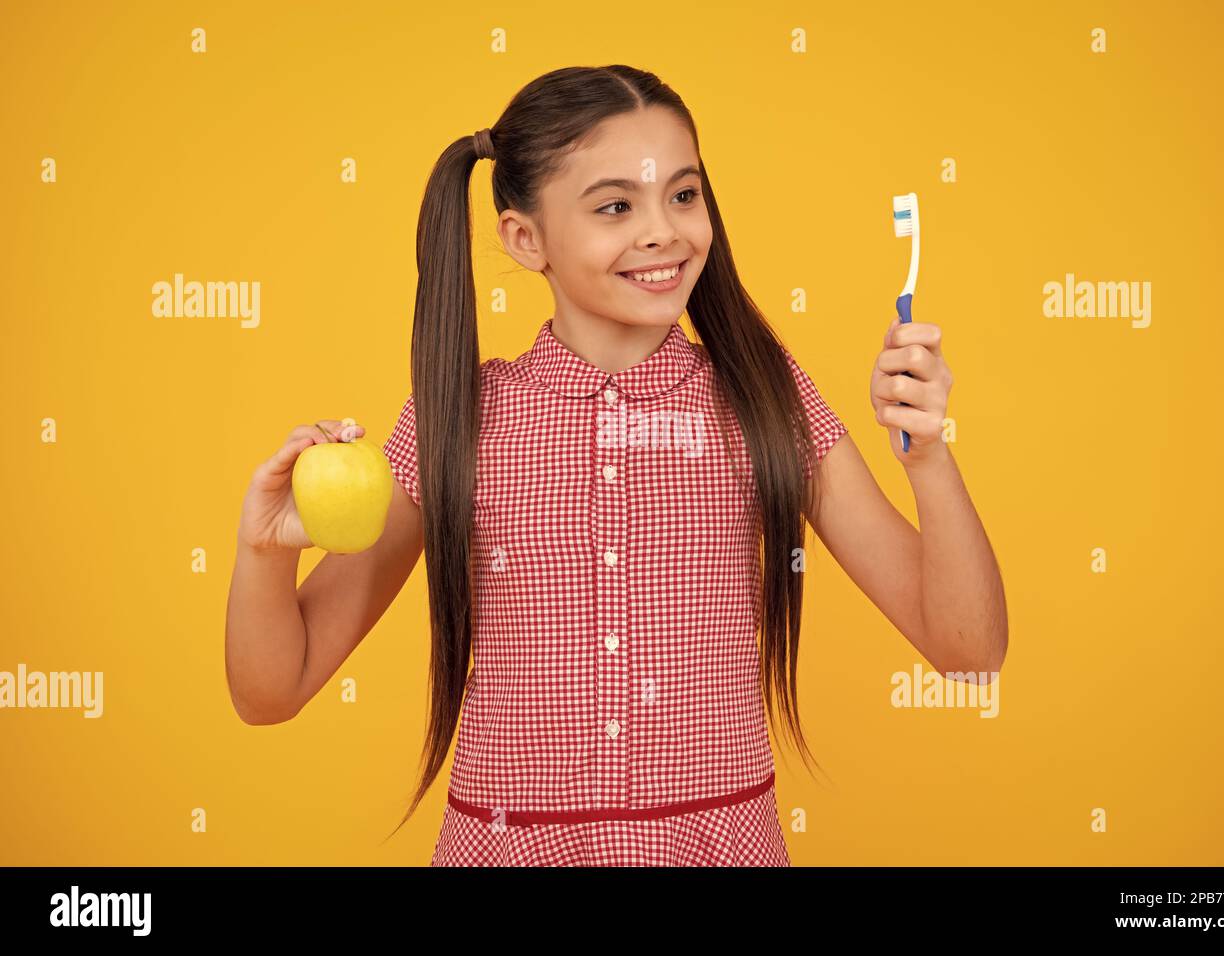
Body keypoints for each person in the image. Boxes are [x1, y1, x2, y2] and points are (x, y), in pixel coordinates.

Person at [224, 64, 1007, 866]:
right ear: (525, 240)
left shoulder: (766, 400)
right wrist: (265, 548)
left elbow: (970, 654)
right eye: (615, 206)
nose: (664, 231)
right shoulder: (454, 420)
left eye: (683, 194)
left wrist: (928, 456)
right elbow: (271, 692)